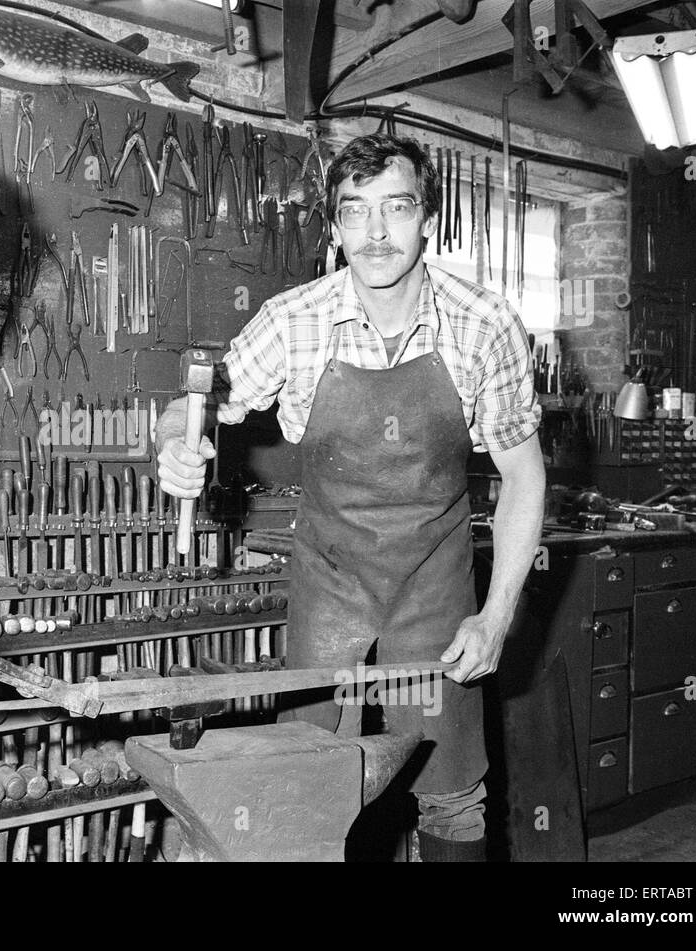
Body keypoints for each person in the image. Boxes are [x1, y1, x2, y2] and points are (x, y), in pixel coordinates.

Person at [155, 133, 544, 861]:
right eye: (354, 212)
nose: (375, 233)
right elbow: (194, 404)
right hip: (328, 587)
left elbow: (525, 474)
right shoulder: (292, 320)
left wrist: (496, 618)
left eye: (396, 208)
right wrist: (175, 445)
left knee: (453, 795)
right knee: (305, 783)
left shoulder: (486, 324)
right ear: (333, 228)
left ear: (428, 217)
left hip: (436, 589)